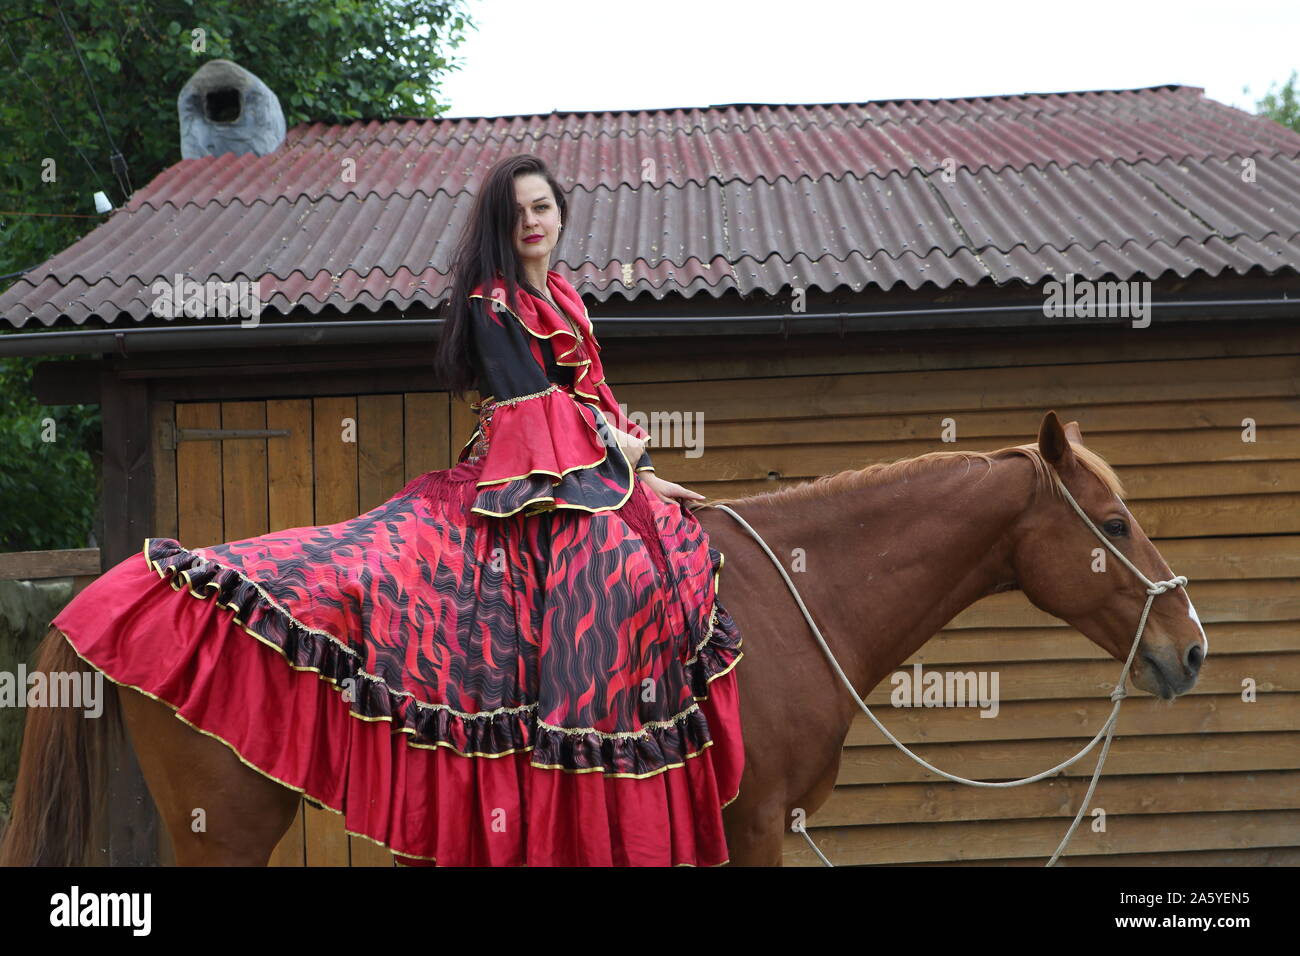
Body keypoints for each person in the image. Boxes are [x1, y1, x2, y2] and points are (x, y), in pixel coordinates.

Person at [49, 153, 744, 867]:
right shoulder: (490, 301)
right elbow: (533, 411)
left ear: (561, 214)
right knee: (539, 579)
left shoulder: (564, 299)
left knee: (636, 563)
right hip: (515, 476)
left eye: (541, 207)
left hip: (570, 479)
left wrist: (646, 474)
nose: (531, 221)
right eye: (517, 211)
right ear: (500, 226)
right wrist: (616, 452)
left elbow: (595, 403)